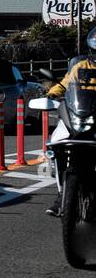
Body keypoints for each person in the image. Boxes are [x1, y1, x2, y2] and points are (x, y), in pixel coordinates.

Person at [44, 29, 96, 216]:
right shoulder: (80, 65)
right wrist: (51, 94)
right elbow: (66, 84)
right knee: (57, 140)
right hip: (79, 112)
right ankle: (62, 195)